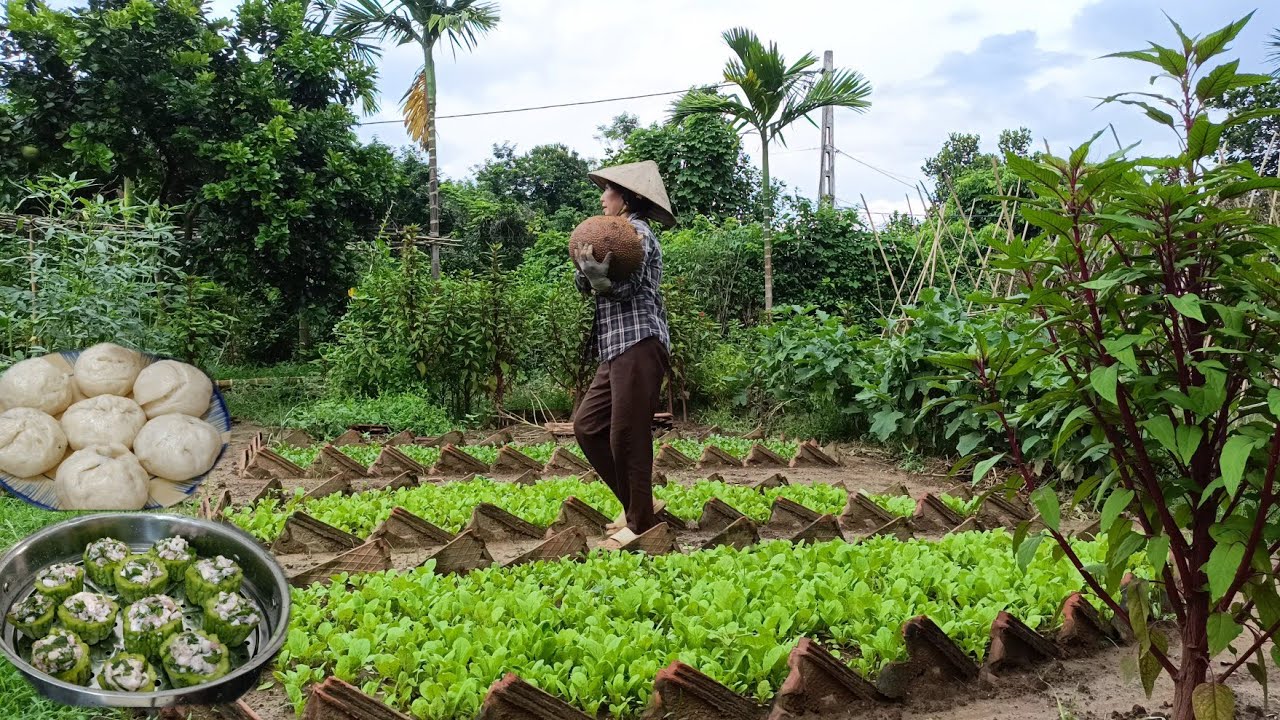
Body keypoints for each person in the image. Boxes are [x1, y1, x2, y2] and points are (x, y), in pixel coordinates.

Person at [572, 160, 675, 548]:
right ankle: (640, 506)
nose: (602, 198)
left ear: (627, 198)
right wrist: (589, 275)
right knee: (588, 427)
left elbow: (630, 289)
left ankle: (641, 523)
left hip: (640, 342)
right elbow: (584, 282)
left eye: (608, 192)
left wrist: (602, 282)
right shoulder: (611, 233)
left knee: (626, 434)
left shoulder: (639, 234)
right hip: (614, 346)